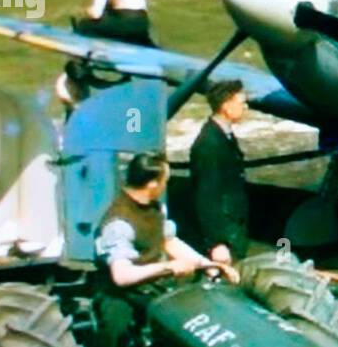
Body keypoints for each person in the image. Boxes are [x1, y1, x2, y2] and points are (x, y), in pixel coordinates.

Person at [95, 152, 233, 291]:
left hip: (151, 289)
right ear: (153, 184)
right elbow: (122, 276)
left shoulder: (156, 208)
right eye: (165, 181)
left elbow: (169, 242)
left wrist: (208, 266)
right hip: (122, 297)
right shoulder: (119, 223)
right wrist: (168, 266)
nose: (166, 185)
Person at [189, 79, 250, 266]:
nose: (246, 107)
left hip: (233, 222)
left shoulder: (224, 136)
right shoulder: (210, 145)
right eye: (241, 103)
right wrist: (216, 243)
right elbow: (207, 195)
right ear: (226, 105)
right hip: (225, 228)